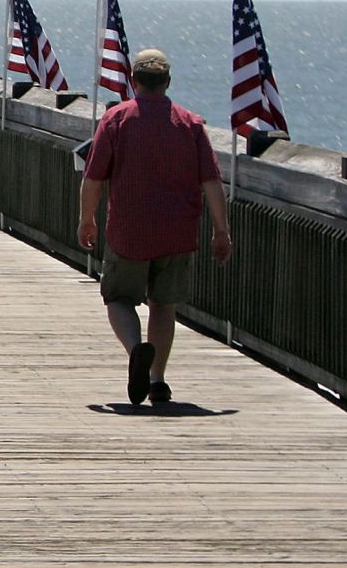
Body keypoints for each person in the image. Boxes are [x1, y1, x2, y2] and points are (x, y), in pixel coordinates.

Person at [77, 48, 232, 407]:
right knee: (164, 305)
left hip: (129, 228)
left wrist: (87, 218)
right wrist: (221, 230)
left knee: (118, 297)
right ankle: (158, 378)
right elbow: (211, 181)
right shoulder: (190, 124)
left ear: (134, 81)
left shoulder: (117, 119)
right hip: (178, 230)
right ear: (168, 82)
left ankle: (136, 350)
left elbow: (94, 176)